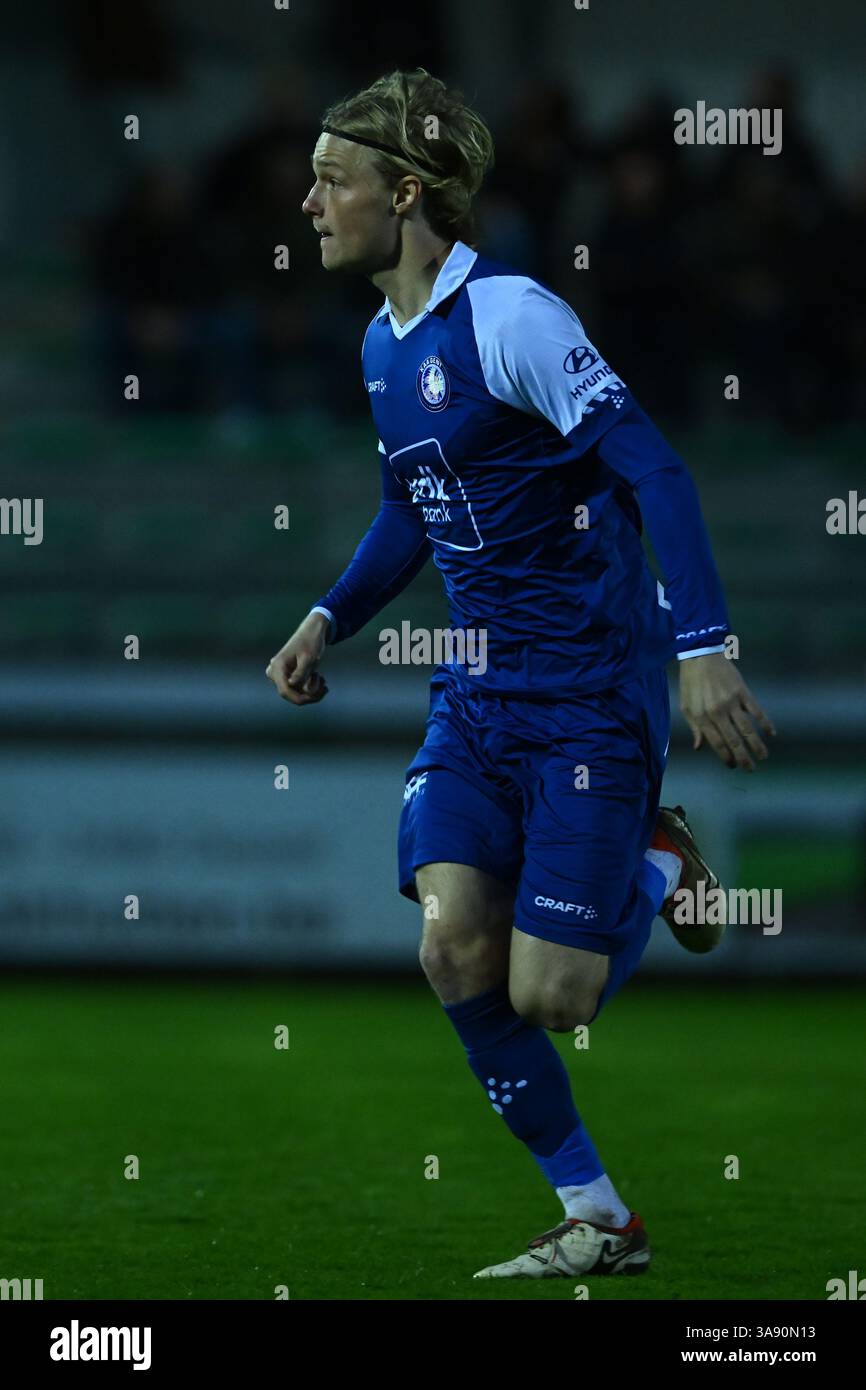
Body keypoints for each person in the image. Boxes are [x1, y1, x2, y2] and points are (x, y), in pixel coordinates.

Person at [266, 69, 775, 1281]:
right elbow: (412, 501)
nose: (308, 203)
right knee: (451, 949)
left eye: (331, 181)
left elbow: (656, 472)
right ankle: (600, 1218)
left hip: (591, 687)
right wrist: (328, 613)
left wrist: (704, 651)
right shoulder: (381, 346)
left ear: (403, 192)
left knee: (553, 999)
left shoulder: (513, 318)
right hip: (479, 692)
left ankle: (657, 856)